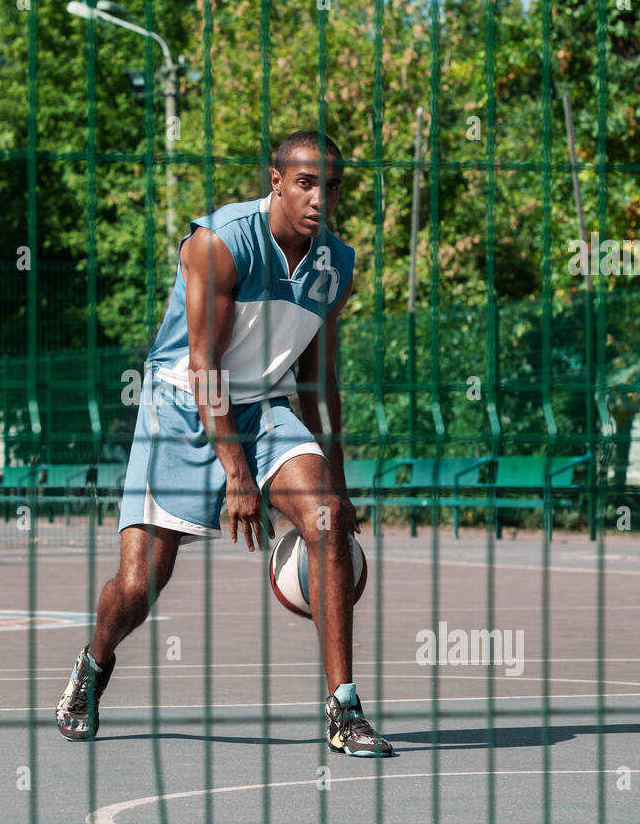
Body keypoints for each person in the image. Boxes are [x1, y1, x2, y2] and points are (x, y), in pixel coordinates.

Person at [55, 130, 394, 757]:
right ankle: (92, 666)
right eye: (305, 182)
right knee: (139, 587)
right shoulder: (220, 243)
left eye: (333, 185)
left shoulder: (334, 265)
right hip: (183, 407)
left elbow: (319, 378)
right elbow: (204, 362)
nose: (320, 198)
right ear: (275, 180)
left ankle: (344, 709)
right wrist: (236, 474)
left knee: (325, 521)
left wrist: (337, 482)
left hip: (264, 406)